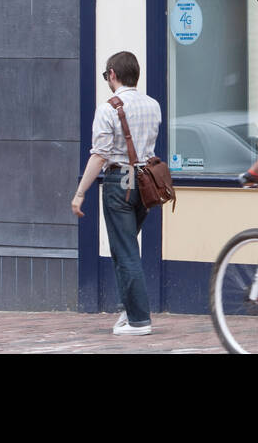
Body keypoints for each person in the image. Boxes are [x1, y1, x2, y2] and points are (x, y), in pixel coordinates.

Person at [71, 51, 161, 336]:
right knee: (127, 249)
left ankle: (138, 320)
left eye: (106, 76)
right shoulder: (153, 105)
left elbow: (99, 156)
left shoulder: (107, 108)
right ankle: (130, 311)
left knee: (125, 252)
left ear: (112, 74)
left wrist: (80, 191)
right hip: (146, 184)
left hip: (118, 183)